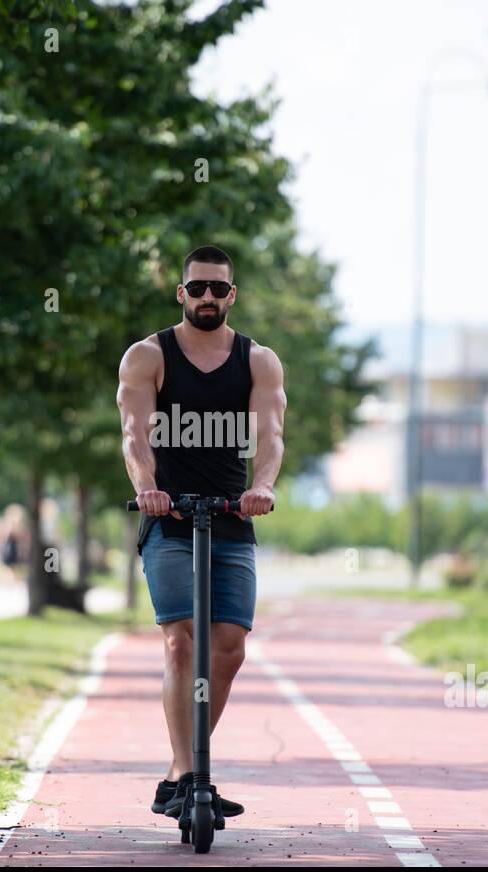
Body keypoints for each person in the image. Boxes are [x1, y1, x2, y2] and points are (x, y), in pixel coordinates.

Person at [115, 244, 286, 821]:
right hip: (169, 518)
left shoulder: (258, 361)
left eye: (219, 288)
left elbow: (272, 436)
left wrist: (261, 485)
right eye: (198, 288)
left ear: (231, 295)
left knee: (231, 646)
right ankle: (193, 776)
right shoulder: (148, 356)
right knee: (181, 640)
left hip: (232, 517)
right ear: (181, 293)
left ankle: (178, 772)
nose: (207, 297)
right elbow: (133, 433)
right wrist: (147, 486)